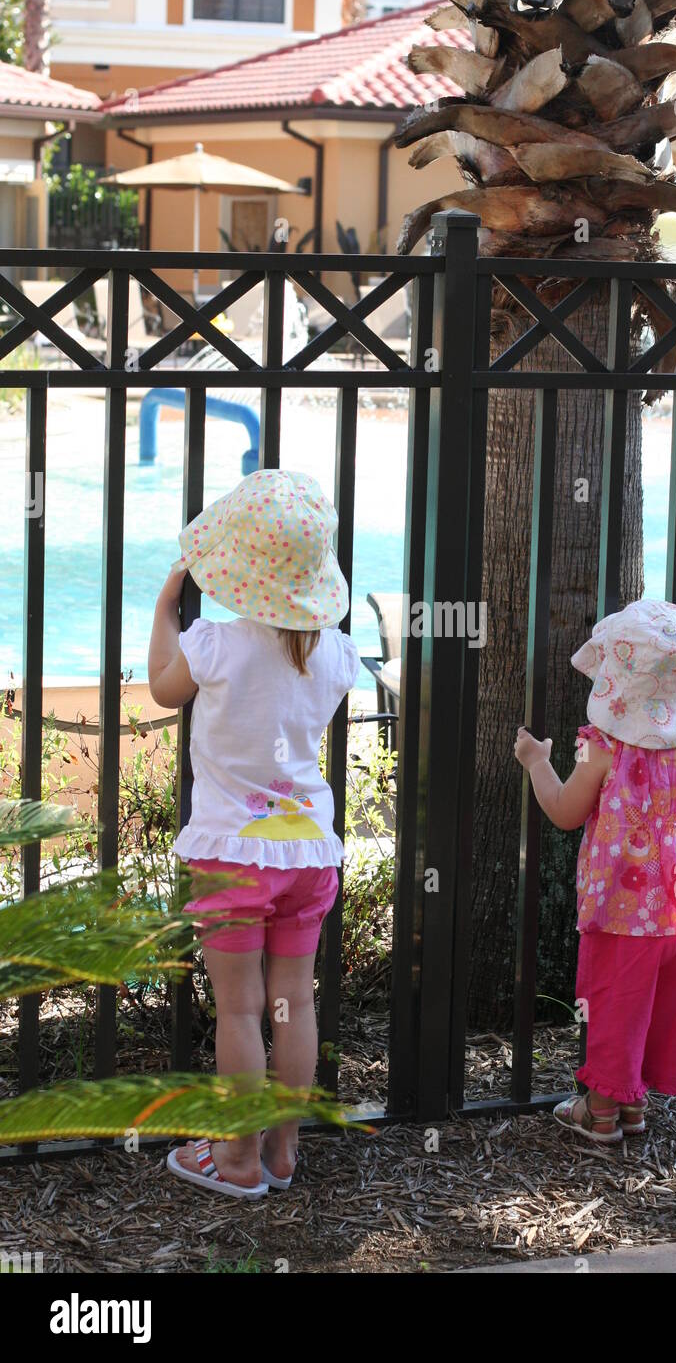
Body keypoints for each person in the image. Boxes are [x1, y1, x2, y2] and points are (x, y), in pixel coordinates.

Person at [148, 468, 358, 1198]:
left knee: (239, 1011)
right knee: (292, 1004)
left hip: (231, 857)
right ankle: (282, 1150)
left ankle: (234, 1160)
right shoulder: (335, 654)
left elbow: (160, 686)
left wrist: (165, 605)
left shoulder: (214, 644)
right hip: (307, 854)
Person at [514, 600, 676, 1144]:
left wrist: (538, 761)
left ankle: (601, 1112)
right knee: (663, 1006)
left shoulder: (602, 748)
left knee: (617, 1004)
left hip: (625, 909)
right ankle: (634, 1107)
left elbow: (565, 811)